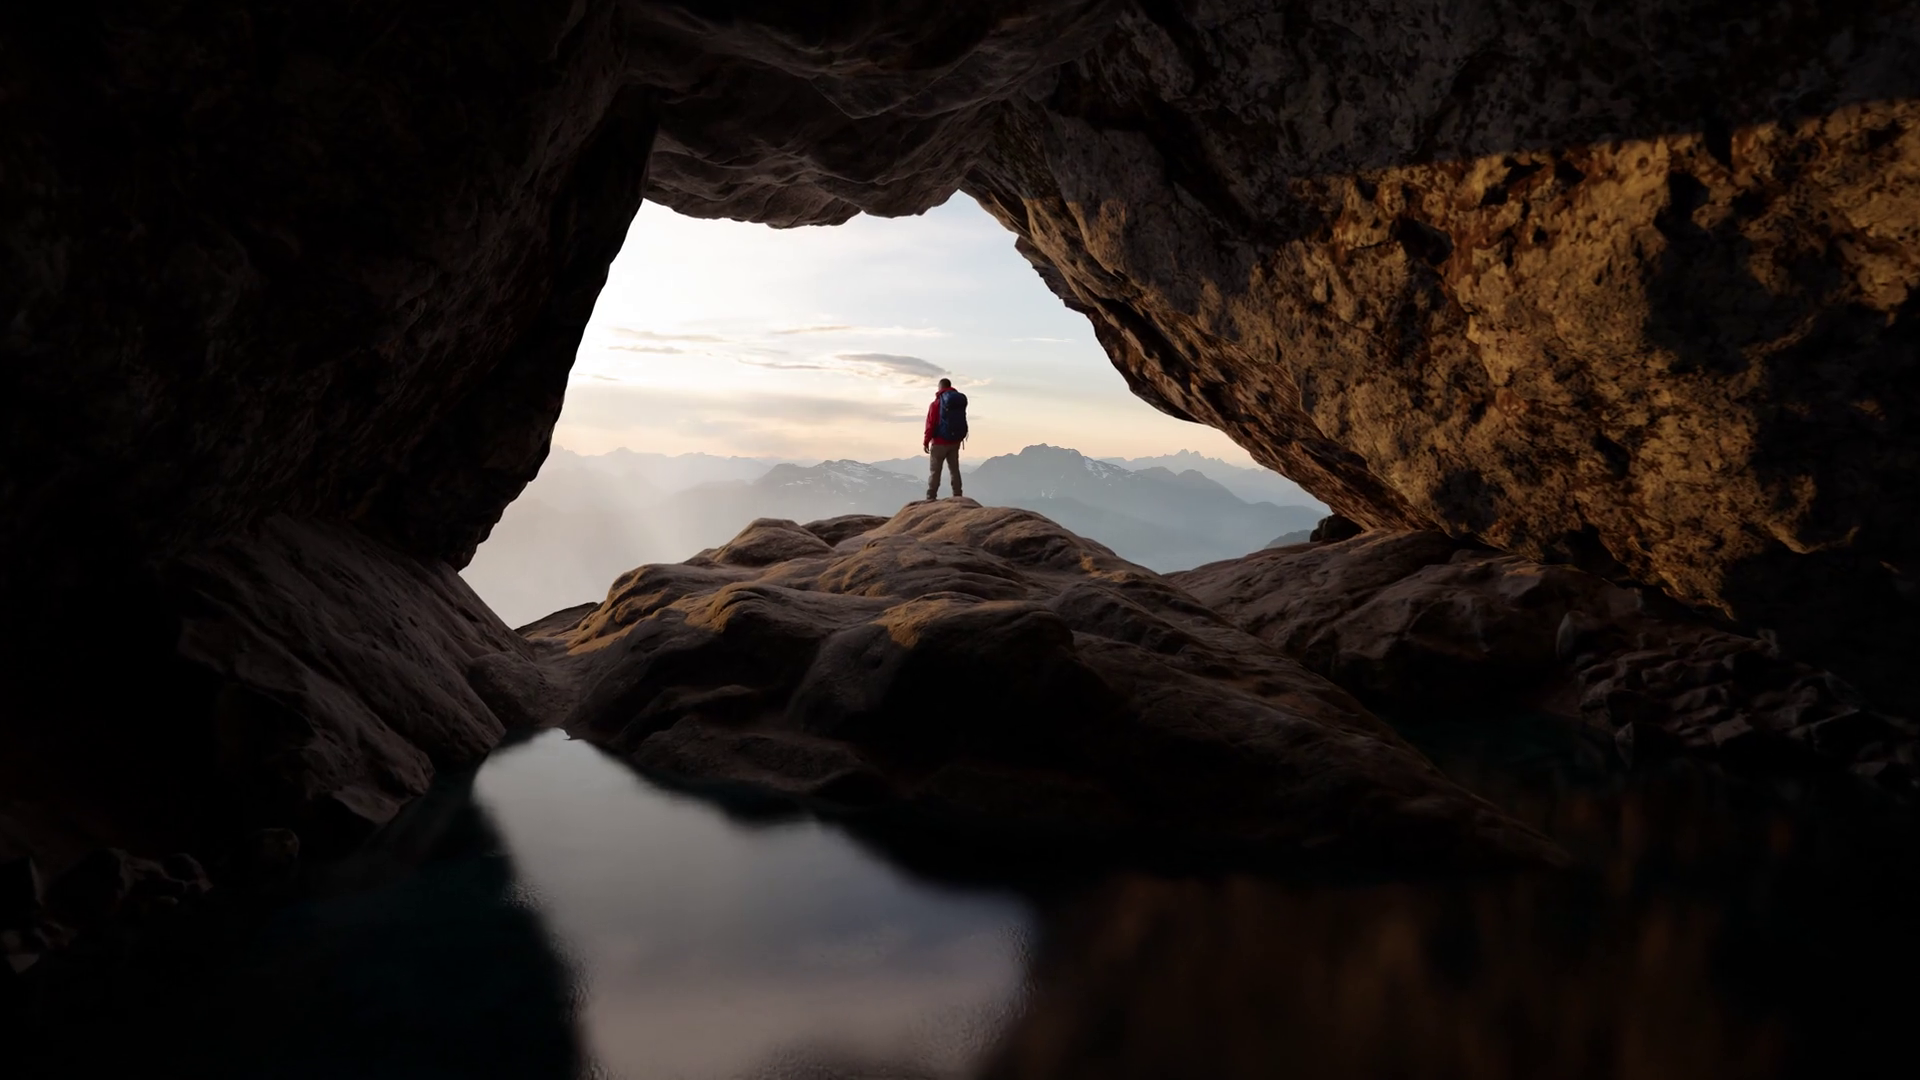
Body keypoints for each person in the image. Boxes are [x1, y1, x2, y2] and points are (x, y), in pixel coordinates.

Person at [922, 377, 968, 500]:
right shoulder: (957, 401)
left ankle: (931, 496)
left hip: (939, 443)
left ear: (940, 388)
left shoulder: (936, 404)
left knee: (935, 471)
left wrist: (926, 441)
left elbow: (930, 424)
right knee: (954, 469)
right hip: (955, 442)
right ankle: (958, 494)